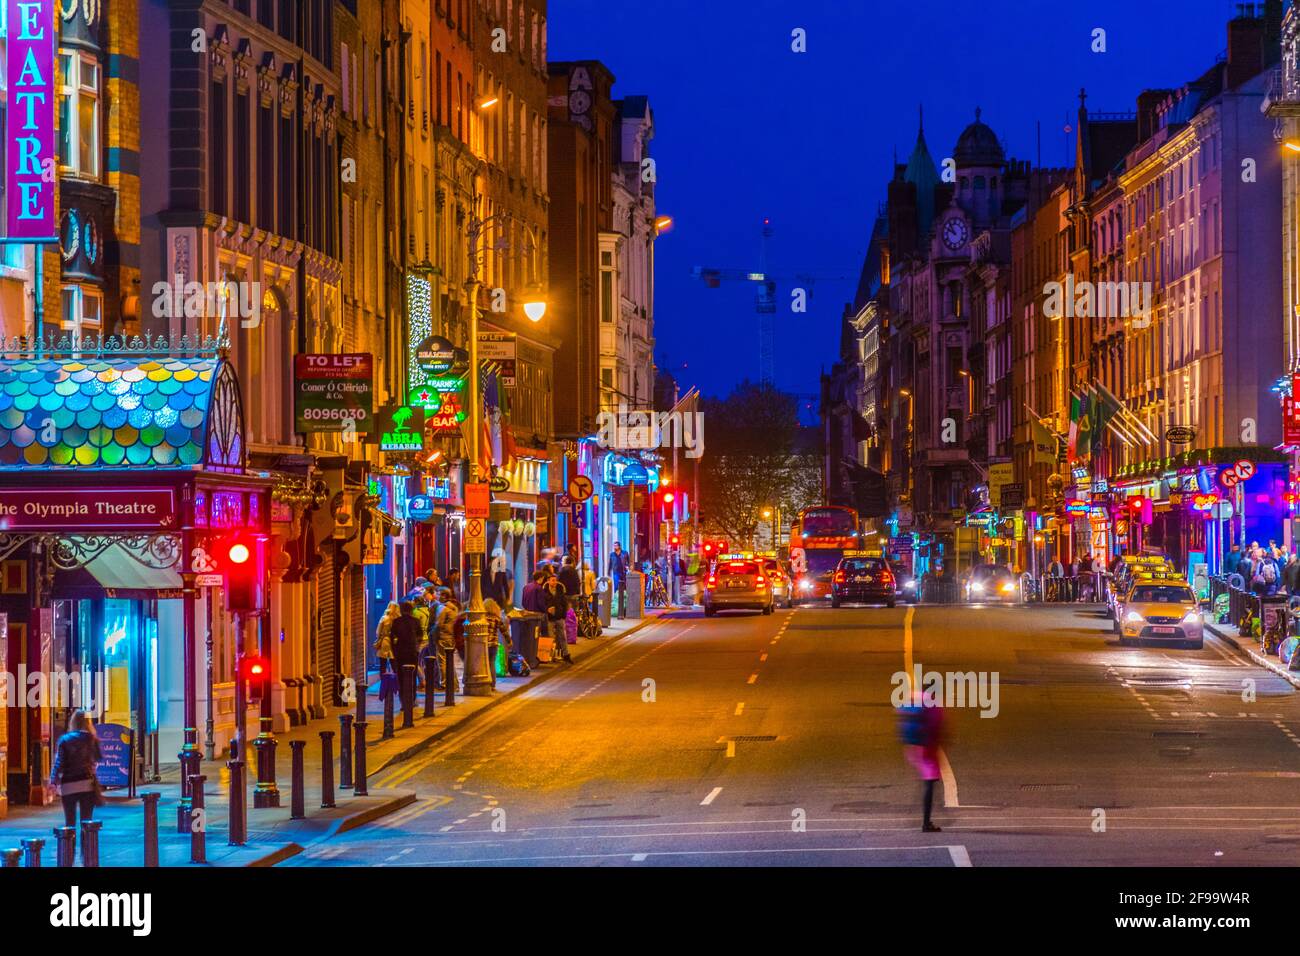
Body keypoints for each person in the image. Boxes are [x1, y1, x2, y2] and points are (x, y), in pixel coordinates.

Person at [51, 710, 101, 831]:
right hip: (86, 783)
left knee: (69, 822)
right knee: (86, 821)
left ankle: (69, 842)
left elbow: (59, 763)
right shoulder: (92, 738)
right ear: (88, 722)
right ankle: (87, 842)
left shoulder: (64, 739)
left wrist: (53, 780)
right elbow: (97, 759)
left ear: (72, 722)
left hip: (68, 784)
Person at [900, 696, 945, 833]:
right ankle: (926, 823)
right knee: (929, 784)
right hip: (926, 748)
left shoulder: (915, 698)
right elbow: (935, 727)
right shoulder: (934, 706)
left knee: (928, 782)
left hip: (912, 746)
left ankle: (925, 819)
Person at [390, 601, 424, 714]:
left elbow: (392, 638)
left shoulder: (396, 622)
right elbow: (420, 635)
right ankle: (411, 700)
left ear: (401, 610)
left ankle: (403, 702)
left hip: (400, 653)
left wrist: (394, 651)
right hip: (412, 652)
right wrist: (417, 646)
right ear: (411, 610)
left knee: (401, 677)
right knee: (412, 677)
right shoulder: (416, 621)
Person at [543, 572, 574, 663]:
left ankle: (566, 655)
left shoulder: (560, 590)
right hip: (550, 618)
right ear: (548, 581)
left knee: (563, 637)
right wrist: (547, 609)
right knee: (551, 638)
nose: (555, 582)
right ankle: (551, 656)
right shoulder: (544, 591)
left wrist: (564, 615)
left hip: (560, 617)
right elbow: (542, 604)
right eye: (553, 580)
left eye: (555, 580)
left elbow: (564, 604)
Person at [482, 597, 510, 687]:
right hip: (494, 644)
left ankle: (486, 682)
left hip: (484, 644)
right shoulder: (497, 619)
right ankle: (493, 684)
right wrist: (509, 641)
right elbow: (504, 631)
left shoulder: (482, 619)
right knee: (492, 663)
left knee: (484, 664)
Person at [374, 602, 399, 674]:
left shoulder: (384, 618)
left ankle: (383, 679)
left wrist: (378, 638)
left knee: (383, 663)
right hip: (395, 642)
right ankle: (396, 679)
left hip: (385, 641)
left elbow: (378, 632)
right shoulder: (398, 619)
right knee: (394, 663)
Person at [609, 542, 628, 618]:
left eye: (616, 546)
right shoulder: (612, 554)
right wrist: (608, 572)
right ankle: (617, 603)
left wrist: (628, 567)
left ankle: (623, 604)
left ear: (619, 546)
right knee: (617, 587)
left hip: (623, 572)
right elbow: (610, 564)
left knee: (624, 588)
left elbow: (628, 562)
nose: (615, 547)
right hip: (616, 572)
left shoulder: (624, 553)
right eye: (614, 546)